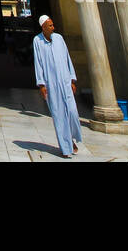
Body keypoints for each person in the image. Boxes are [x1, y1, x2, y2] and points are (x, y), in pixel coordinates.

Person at [32, 14, 81, 158]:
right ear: (43, 27)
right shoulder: (37, 41)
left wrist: (72, 79)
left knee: (72, 112)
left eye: (53, 25)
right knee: (59, 115)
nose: (53, 27)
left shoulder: (59, 39)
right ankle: (66, 147)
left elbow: (67, 58)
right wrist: (41, 84)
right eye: (50, 25)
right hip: (51, 83)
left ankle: (72, 137)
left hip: (65, 81)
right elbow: (38, 63)